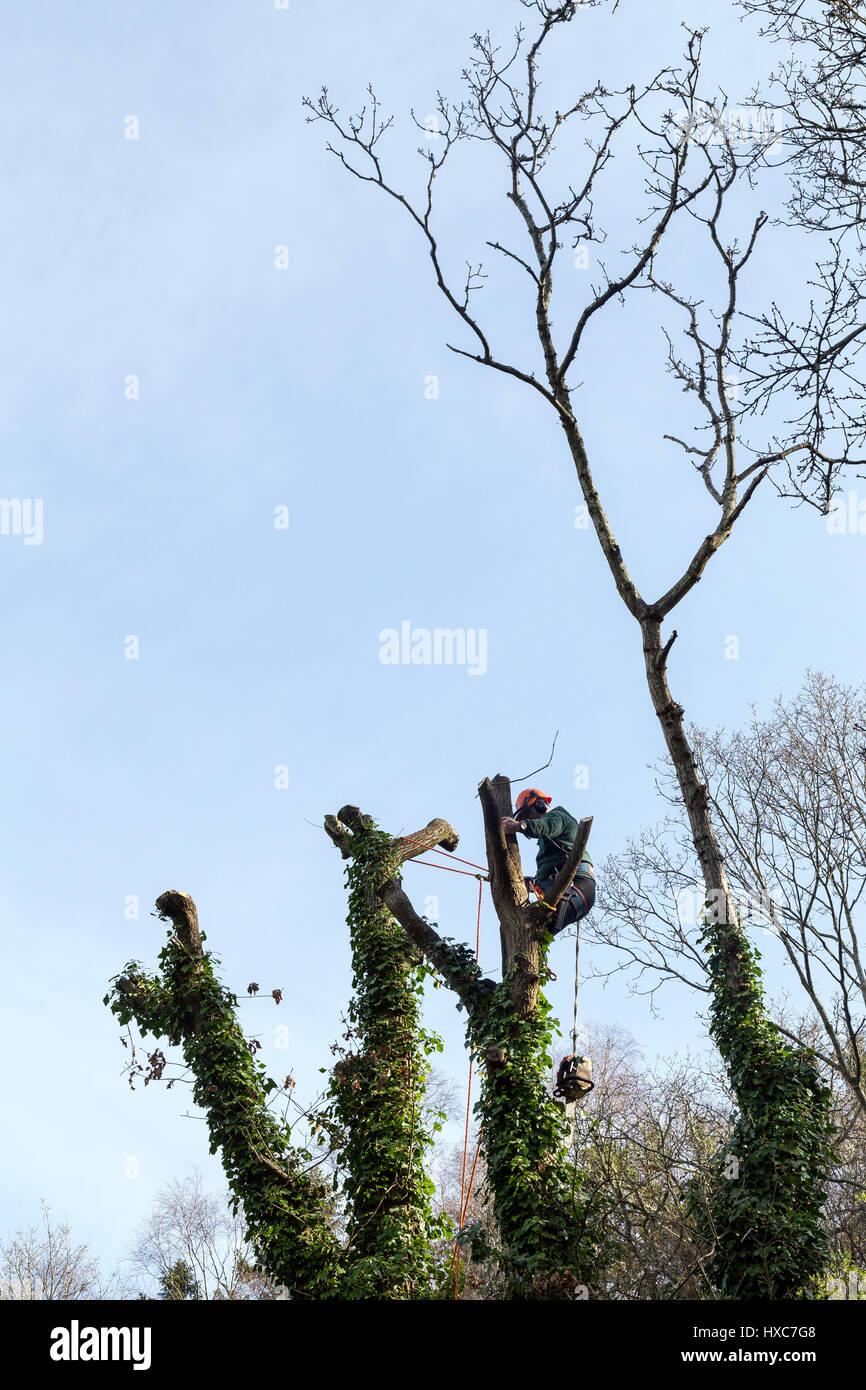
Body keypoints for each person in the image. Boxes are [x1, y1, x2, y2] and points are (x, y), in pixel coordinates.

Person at [500, 788, 595, 936]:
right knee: (530, 933)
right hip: (568, 889)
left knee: (528, 926)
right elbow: (548, 873)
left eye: (527, 815)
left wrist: (519, 826)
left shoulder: (558, 817)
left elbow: (544, 826)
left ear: (539, 805)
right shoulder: (548, 845)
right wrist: (532, 883)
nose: (528, 819)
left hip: (576, 887)